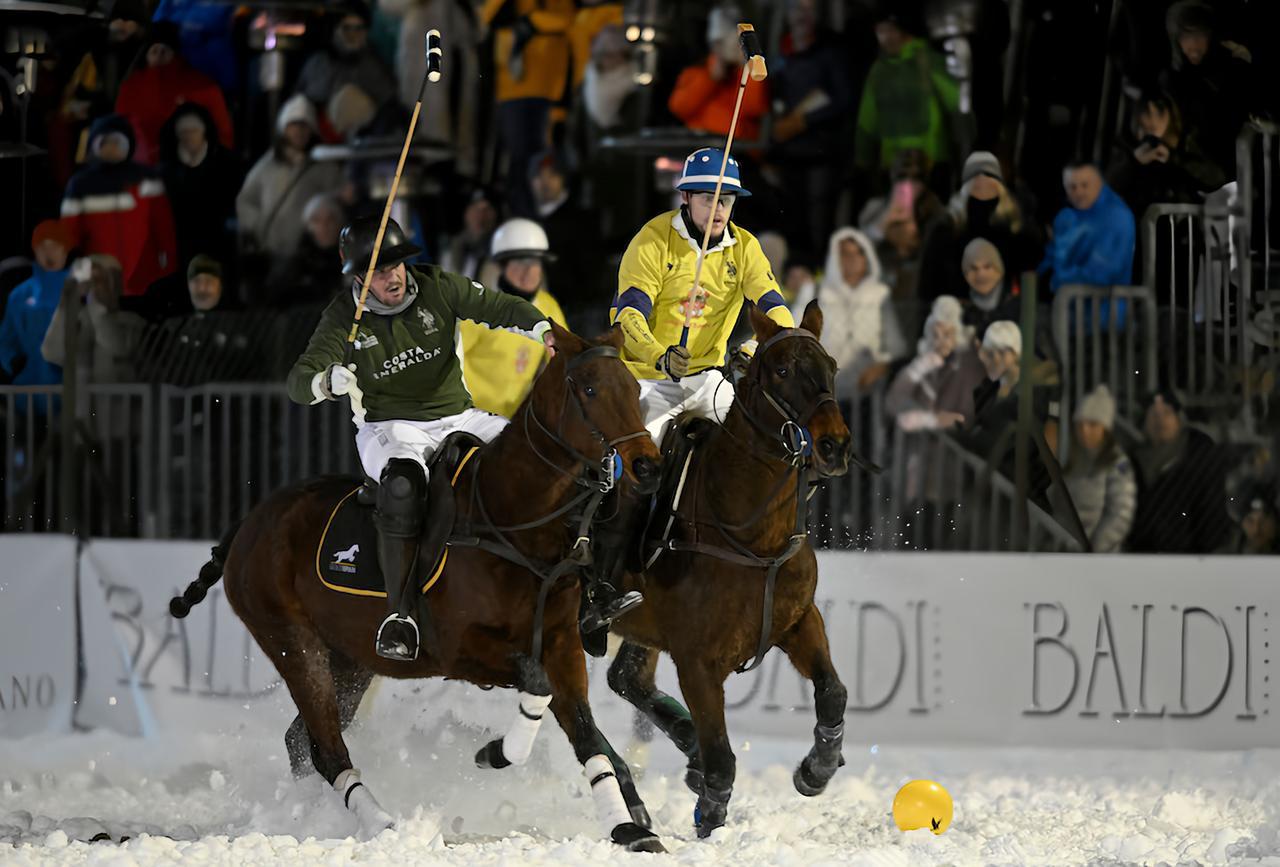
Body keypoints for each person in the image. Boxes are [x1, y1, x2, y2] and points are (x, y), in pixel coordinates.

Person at [286, 216, 555, 662]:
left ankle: (572, 580)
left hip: (458, 415)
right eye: (378, 270)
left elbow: (501, 308)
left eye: (395, 265)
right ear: (358, 277)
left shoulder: (438, 287)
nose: (391, 276)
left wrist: (543, 330)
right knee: (403, 485)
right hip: (389, 428)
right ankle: (400, 614)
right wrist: (325, 382)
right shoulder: (342, 318)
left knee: (532, 457)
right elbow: (298, 381)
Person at [592, 147, 794, 637]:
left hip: (707, 380)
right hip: (650, 378)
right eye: (708, 198)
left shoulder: (744, 247)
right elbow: (628, 313)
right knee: (632, 472)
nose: (718, 209)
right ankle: (602, 585)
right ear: (686, 198)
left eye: (726, 199)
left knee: (764, 449)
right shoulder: (653, 239)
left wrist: (753, 349)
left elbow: (776, 309)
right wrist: (660, 353)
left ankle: (767, 558)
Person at [768, 0, 852, 264]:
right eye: (797, 8)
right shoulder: (780, 54)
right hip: (788, 153)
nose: (802, 15)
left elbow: (843, 99)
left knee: (820, 221)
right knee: (791, 219)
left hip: (821, 152)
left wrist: (803, 121)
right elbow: (772, 96)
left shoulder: (830, 53)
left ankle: (819, 273)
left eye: (809, 9)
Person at [60, 114, 178, 298]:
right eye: (104, 142)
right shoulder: (80, 184)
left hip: (143, 278)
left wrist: (168, 267)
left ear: (128, 144)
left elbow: (163, 227)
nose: (111, 147)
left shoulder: (147, 179)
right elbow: (69, 234)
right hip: (98, 280)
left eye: (117, 142)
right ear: (94, 145)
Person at [460, 218, 565, 418]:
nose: (528, 272)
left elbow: (563, 358)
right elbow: (447, 362)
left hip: (514, 421)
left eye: (534, 263)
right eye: (519, 263)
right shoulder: (479, 309)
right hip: (471, 419)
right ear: (502, 265)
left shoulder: (548, 306)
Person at [479, 0, 574, 218]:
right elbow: (487, 17)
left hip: (548, 88)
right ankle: (522, 219)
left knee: (545, 163)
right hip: (512, 90)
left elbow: (567, 21)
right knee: (519, 162)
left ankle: (545, 222)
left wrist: (532, 21)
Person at [854, 8, 960, 194]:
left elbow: (956, 102)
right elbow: (867, 119)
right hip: (893, 166)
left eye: (890, 30)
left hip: (930, 163)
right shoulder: (879, 70)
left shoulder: (929, 60)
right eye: (880, 31)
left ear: (903, 30)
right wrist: (862, 160)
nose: (885, 37)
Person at [791, 227, 905, 396]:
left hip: (867, 389)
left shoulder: (880, 295)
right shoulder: (813, 291)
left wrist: (880, 368)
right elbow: (793, 334)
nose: (852, 259)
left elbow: (895, 345)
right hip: (818, 387)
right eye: (845, 253)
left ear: (867, 257)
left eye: (858, 253)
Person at [918, 151, 1043, 302]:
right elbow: (930, 283)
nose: (982, 181)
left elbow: (1029, 277)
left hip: (1006, 309)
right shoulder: (946, 230)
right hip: (956, 309)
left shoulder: (1017, 230)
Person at [236, 95, 344, 262]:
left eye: (304, 126)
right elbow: (245, 200)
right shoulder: (268, 164)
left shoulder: (323, 165)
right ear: (284, 128)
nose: (299, 131)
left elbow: (339, 201)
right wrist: (258, 225)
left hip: (308, 257)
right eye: (294, 125)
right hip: (269, 254)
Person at [114, 21, 235, 166]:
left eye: (165, 50)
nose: (159, 55)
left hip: (189, 166)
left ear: (175, 54)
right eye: (154, 50)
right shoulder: (131, 87)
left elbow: (222, 135)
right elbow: (119, 129)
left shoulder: (202, 87)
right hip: (140, 166)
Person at [1128, 390, 1233, 554]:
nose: (1160, 420)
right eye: (1154, 414)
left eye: (1166, 413)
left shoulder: (1200, 458)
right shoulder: (1133, 464)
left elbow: (1211, 514)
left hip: (1192, 557)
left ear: (1179, 419)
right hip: (1144, 557)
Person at [1107, 91, 1229, 218]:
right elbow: (1110, 191)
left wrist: (1175, 159)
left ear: (1153, 108)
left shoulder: (1194, 132)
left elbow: (1217, 179)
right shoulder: (1151, 150)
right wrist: (1134, 160)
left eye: (1142, 124)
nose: (1141, 134)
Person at [668, 4, 770, 142]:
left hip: (737, 147)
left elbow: (754, 109)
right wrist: (710, 78)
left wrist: (744, 65)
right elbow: (679, 108)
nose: (724, 47)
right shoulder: (698, 71)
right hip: (698, 144)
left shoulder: (751, 73)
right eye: (718, 43)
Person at [159, 102, 242, 269]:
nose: (189, 136)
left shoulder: (227, 164)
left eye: (194, 130)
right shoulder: (166, 171)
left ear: (204, 131)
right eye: (184, 132)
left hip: (220, 247)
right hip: (180, 249)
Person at [885, 295, 984, 433]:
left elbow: (965, 419)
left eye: (947, 335)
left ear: (959, 335)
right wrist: (917, 369)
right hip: (916, 442)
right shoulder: (927, 361)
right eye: (936, 335)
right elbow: (892, 403)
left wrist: (931, 420)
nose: (939, 343)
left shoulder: (965, 371)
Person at [42, 255, 147, 385]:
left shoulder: (131, 321)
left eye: (97, 280)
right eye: (84, 281)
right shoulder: (79, 319)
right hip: (83, 395)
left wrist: (97, 309)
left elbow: (118, 349)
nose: (89, 287)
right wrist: (65, 307)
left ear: (112, 284)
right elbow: (51, 353)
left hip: (119, 395)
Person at [529, 151, 600, 334]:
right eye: (538, 176)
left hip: (571, 317)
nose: (545, 182)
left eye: (552, 175)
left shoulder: (581, 221)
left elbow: (590, 277)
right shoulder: (526, 219)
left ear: (563, 179)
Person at [1061, 385, 1136, 553]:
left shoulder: (1118, 464)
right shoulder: (1073, 462)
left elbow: (1121, 514)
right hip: (1068, 553)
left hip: (1100, 557)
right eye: (1080, 425)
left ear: (1105, 429)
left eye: (1092, 424)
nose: (1084, 431)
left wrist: (1094, 550)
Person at [1039, 163, 1136, 293]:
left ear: (1099, 184)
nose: (1078, 192)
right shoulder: (1066, 217)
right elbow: (1052, 257)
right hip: (1063, 299)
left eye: (1085, 185)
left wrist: (1056, 281)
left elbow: (1102, 273)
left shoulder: (1117, 216)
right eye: (1072, 187)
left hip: (1102, 303)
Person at [0, 221, 72, 394]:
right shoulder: (19, 295)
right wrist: (13, 361)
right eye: (43, 247)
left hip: (68, 389)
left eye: (55, 247)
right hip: (27, 390)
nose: (49, 253)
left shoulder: (76, 289)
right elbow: (7, 340)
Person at [294, 5, 397, 119]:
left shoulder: (374, 67)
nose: (352, 35)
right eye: (346, 28)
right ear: (335, 30)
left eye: (358, 29)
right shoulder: (317, 63)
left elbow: (388, 105)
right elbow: (298, 104)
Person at [265, 194, 347, 308]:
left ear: (340, 223)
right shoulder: (296, 264)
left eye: (330, 219)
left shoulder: (349, 260)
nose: (324, 226)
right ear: (308, 226)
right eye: (316, 221)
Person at [442, 187, 500, 282]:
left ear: (495, 214)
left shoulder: (500, 249)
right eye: (475, 209)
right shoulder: (451, 249)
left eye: (487, 209)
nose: (480, 216)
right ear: (466, 213)